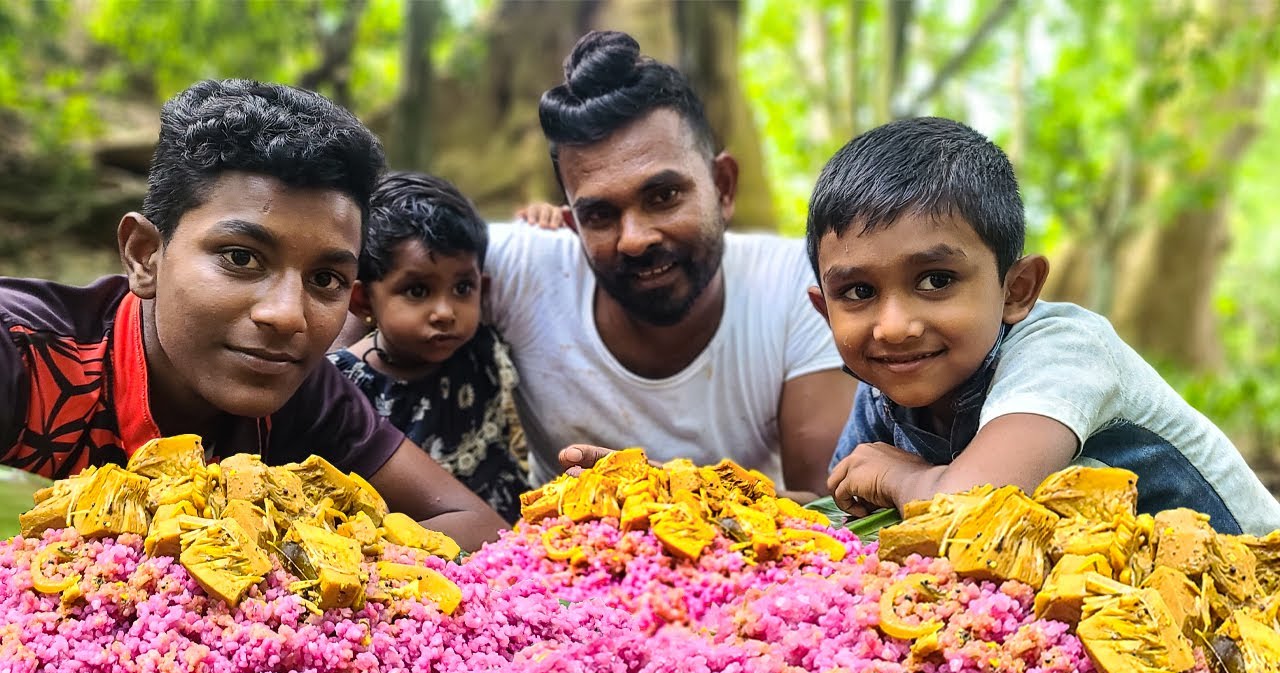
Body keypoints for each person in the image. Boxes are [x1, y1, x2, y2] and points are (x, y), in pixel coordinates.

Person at [0, 79, 507, 550]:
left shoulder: (296, 390)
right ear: (144, 255)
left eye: (325, 279)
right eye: (241, 258)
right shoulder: (26, 359)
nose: (289, 317)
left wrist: (309, 567)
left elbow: (477, 524)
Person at [811, 116, 1280, 535]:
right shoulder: (885, 388)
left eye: (936, 280)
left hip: (1250, 601)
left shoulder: (1065, 351)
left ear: (1017, 290)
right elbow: (847, 520)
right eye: (858, 292)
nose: (893, 328)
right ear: (824, 310)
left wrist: (901, 478)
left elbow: (974, 510)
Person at [484, 30, 856, 500]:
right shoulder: (524, 268)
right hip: (550, 562)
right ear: (572, 223)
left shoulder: (793, 287)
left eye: (663, 197)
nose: (635, 240)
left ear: (723, 187)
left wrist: (667, 492)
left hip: (742, 562)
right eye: (599, 215)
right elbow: (376, 276)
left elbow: (830, 510)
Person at [328, 171, 532, 523]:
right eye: (418, 291)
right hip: (421, 557)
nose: (445, 312)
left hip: (514, 534)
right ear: (363, 302)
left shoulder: (478, 345)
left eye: (462, 288)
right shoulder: (344, 387)